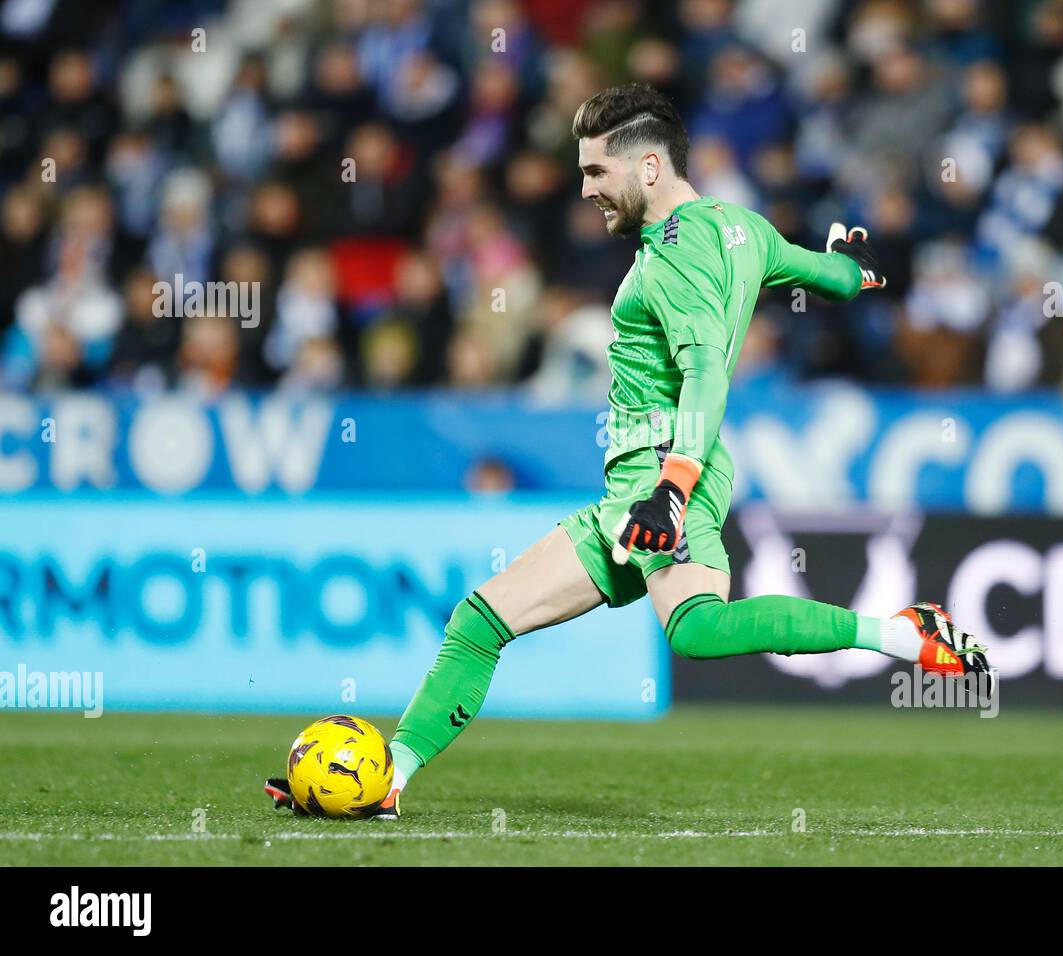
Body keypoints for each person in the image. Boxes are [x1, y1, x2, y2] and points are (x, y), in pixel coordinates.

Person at [265, 83, 993, 819]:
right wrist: (854, 264)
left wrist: (674, 484)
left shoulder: (675, 257)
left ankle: (900, 633)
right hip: (634, 490)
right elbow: (832, 276)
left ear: (648, 168)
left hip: (665, 474)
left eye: (594, 173)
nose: (585, 191)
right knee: (479, 621)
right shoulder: (742, 228)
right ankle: (391, 775)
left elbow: (707, 370)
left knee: (699, 629)